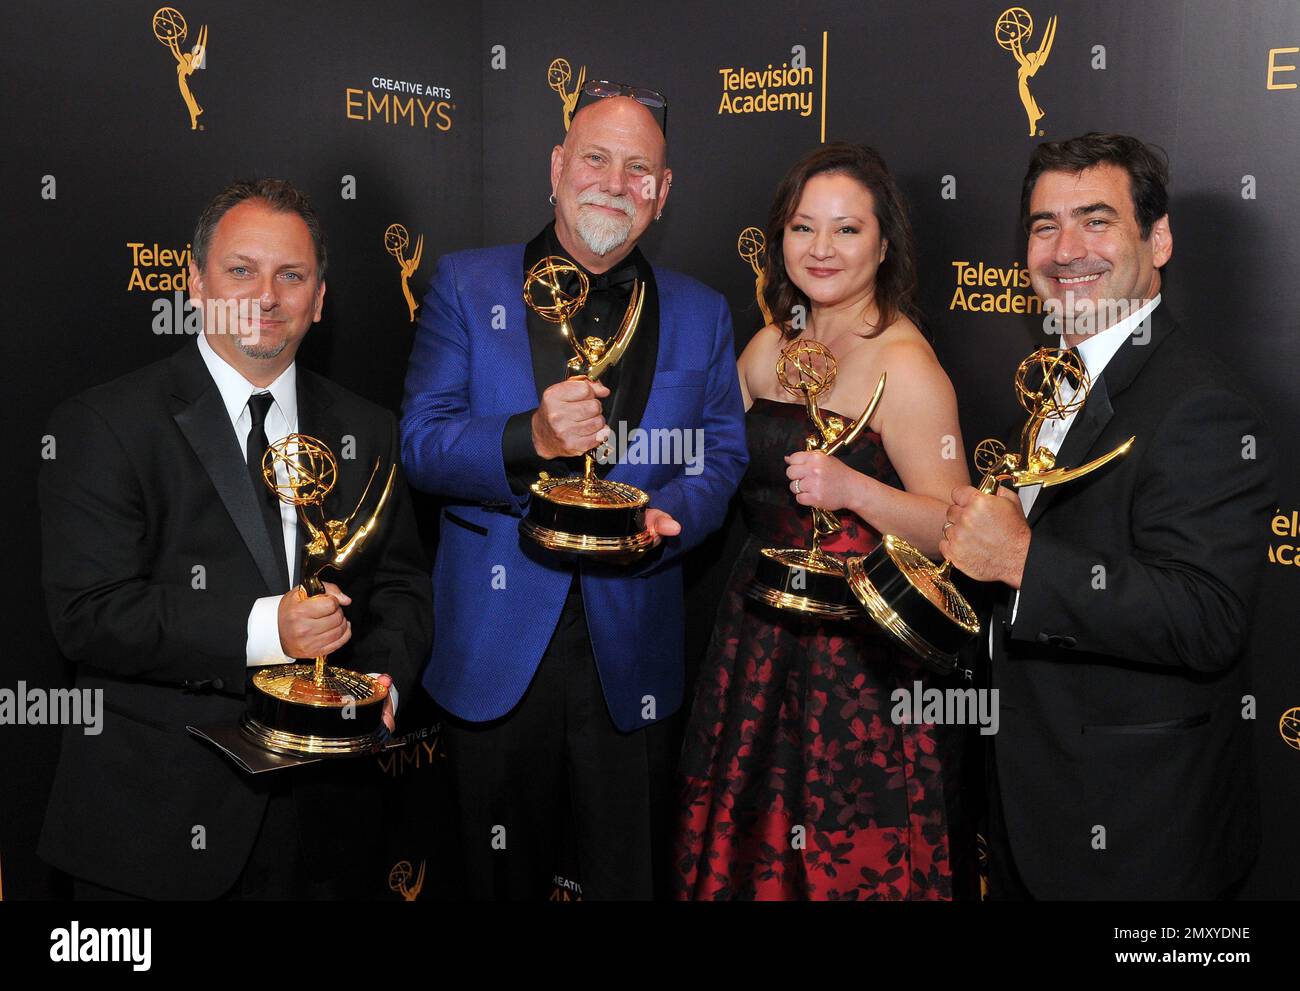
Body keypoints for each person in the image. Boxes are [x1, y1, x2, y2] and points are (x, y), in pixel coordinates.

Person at [38, 178, 431, 899]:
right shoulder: (103, 424)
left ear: (319, 298)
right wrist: (268, 626)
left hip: (327, 826)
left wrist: (378, 677)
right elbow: (89, 615)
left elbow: (401, 584)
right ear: (194, 282)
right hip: (153, 832)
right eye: (240, 270)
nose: (267, 295)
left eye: (292, 275)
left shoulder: (368, 430)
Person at [400, 86, 748, 900]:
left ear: (662, 194)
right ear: (557, 168)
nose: (613, 181)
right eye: (595, 158)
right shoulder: (463, 283)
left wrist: (678, 516)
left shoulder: (701, 312)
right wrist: (531, 438)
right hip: (494, 644)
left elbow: (721, 453)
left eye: (639, 169)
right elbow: (420, 442)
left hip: (632, 650)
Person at [940, 133, 1275, 900]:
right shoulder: (1055, 378)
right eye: (1044, 225)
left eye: (1096, 220)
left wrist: (1023, 562)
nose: (1066, 250)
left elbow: (1208, 615)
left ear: (1158, 240)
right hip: (1031, 807)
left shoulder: (1201, 404)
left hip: (1139, 837)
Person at [674, 143, 970, 900]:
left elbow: (955, 529)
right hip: (757, 633)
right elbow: (711, 458)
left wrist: (854, 490)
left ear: (883, 243)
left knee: (842, 857)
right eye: (804, 228)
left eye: (846, 229)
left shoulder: (906, 364)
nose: (822, 249)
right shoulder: (773, 345)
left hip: (857, 660)